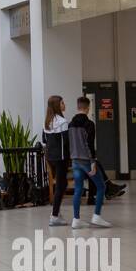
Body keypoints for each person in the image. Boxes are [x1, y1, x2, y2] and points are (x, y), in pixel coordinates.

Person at [67, 97, 111, 228]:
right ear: (87, 108)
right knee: (101, 186)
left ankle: (76, 220)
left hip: (75, 160)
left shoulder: (70, 124)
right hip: (86, 160)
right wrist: (93, 162)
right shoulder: (89, 124)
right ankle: (97, 216)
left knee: (78, 189)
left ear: (77, 107)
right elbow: (89, 144)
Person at [42, 95, 69, 227]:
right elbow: (66, 142)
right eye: (62, 103)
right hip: (61, 158)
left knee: (61, 184)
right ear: (57, 105)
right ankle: (54, 216)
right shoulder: (63, 122)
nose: (64, 105)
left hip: (50, 158)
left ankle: (56, 212)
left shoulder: (47, 122)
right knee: (61, 185)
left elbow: (44, 140)